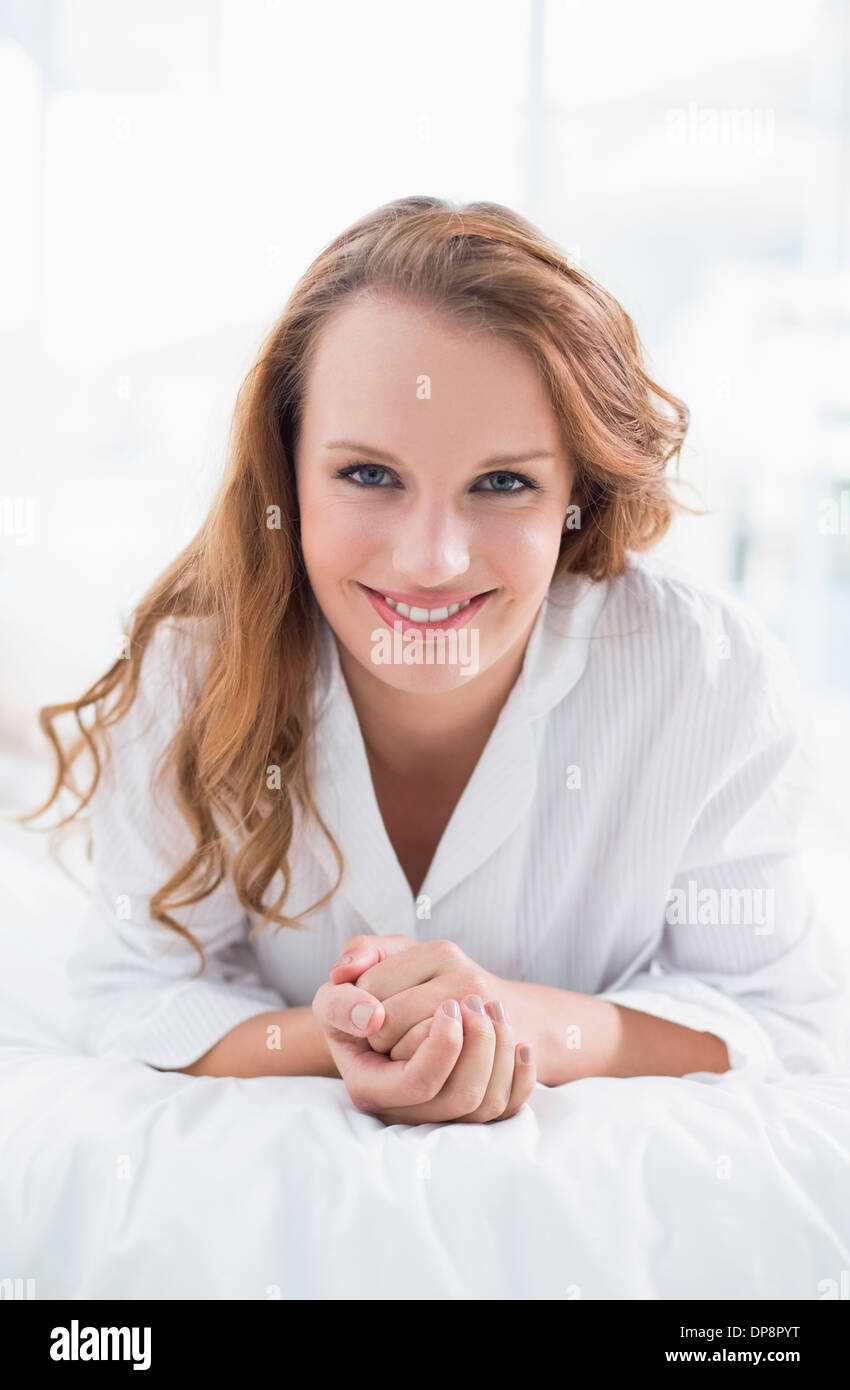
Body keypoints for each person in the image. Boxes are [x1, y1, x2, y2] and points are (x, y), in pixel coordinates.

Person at [21, 196, 846, 1127]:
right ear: (286, 468)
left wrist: (516, 1022)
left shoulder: (713, 680)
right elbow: (139, 995)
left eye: (504, 483)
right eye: (368, 475)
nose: (429, 561)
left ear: (579, 488)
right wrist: (350, 1042)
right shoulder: (186, 673)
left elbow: (772, 1017)